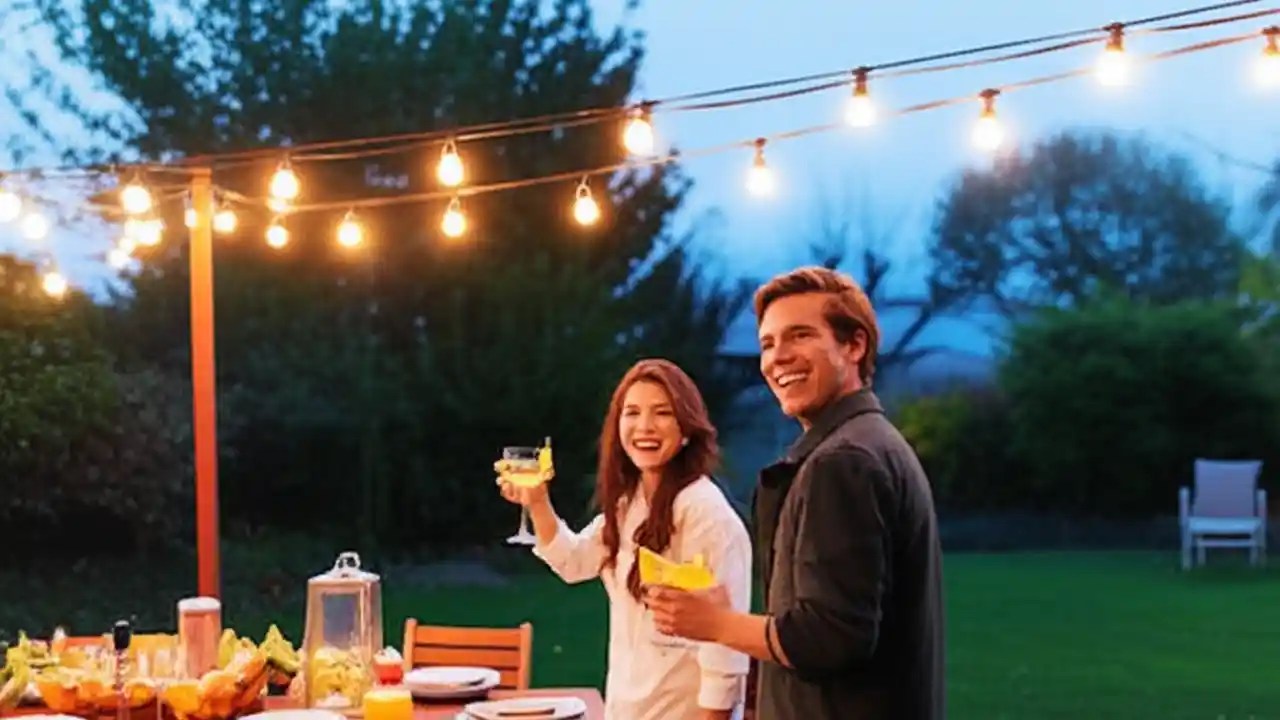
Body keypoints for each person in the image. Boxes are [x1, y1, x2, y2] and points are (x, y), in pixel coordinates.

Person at [645, 267, 945, 720]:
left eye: (799, 336)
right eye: (767, 343)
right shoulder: (869, 443)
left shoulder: (843, 462)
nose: (777, 358)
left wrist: (719, 625)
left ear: (854, 345)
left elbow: (830, 637)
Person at [498, 358, 753, 720]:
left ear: (686, 430)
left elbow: (725, 657)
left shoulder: (706, 515)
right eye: (632, 412)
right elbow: (573, 561)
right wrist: (538, 502)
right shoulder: (629, 506)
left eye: (662, 412)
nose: (644, 426)